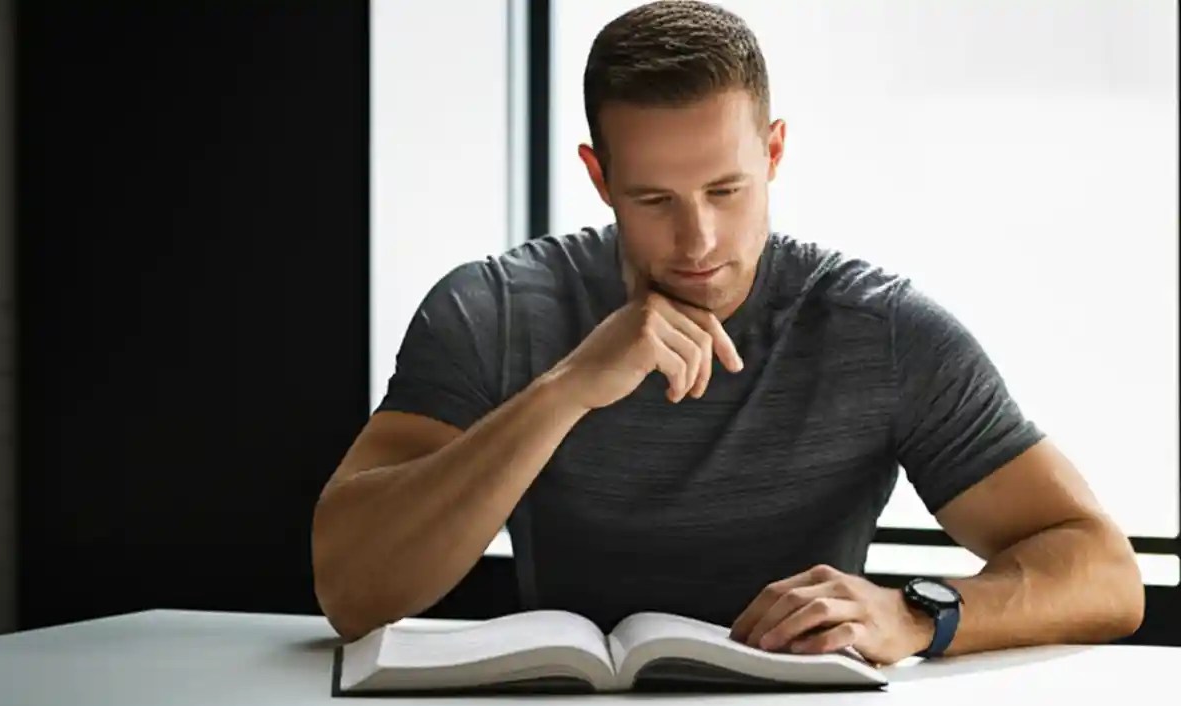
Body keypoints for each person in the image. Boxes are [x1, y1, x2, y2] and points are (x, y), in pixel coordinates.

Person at [312, 0, 1144, 665]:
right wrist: (566, 389)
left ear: (774, 152)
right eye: (654, 201)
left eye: (725, 189)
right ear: (598, 177)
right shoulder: (491, 312)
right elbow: (352, 589)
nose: (699, 240)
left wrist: (916, 613)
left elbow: (1105, 571)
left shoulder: (879, 330)